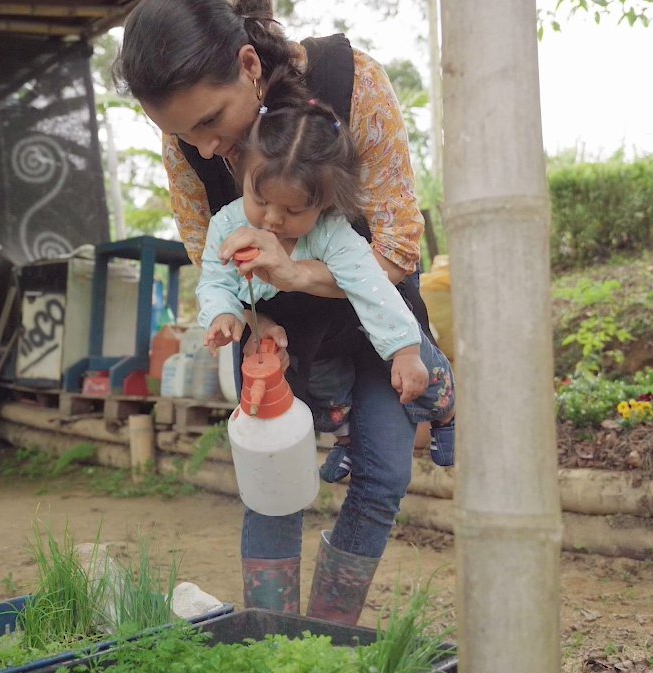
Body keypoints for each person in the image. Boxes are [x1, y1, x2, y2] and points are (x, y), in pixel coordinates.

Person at [114, 0, 451, 626]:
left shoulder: (353, 85)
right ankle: (273, 640)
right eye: (188, 134)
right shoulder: (188, 141)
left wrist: (298, 274)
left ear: (248, 64)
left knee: (382, 478)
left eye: (213, 121)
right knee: (272, 490)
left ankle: (326, 634)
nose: (209, 147)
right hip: (279, 335)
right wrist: (253, 320)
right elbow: (207, 254)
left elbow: (401, 249)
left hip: (374, 320)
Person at [195, 67, 455, 486]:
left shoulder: (333, 234)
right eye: (260, 200)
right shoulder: (227, 226)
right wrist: (224, 313)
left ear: (323, 204)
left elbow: (371, 288)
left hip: (363, 323)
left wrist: (405, 351)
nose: (274, 220)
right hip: (307, 333)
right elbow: (214, 279)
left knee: (423, 371)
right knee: (325, 385)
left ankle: (446, 414)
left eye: (294, 211)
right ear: (241, 172)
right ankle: (347, 438)